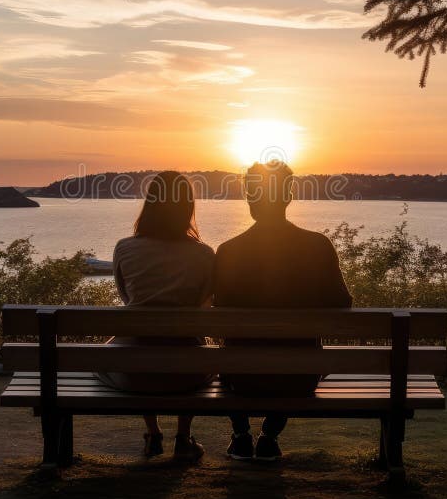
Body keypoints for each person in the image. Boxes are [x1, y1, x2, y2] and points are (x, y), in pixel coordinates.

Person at [214, 160, 353, 461]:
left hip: (242, 377)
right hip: (298, 377)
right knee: (298, 355)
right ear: (288, 197)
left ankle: (240, 436)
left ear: (249, 198)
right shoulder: (318, 246)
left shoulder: (228, 251)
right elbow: (343, 304)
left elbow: (218, 316)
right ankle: (269, 436)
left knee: (224, 354)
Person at [96, 171, 214, 462]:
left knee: (125, 350)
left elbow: (127, 298)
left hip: (134, 375)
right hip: (187, 375)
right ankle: (184, 437)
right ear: (188, 207)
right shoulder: (204, 254)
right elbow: (204, 305)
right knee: (195, 351)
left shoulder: (124, 248)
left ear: (150, 204)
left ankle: (153, 433)